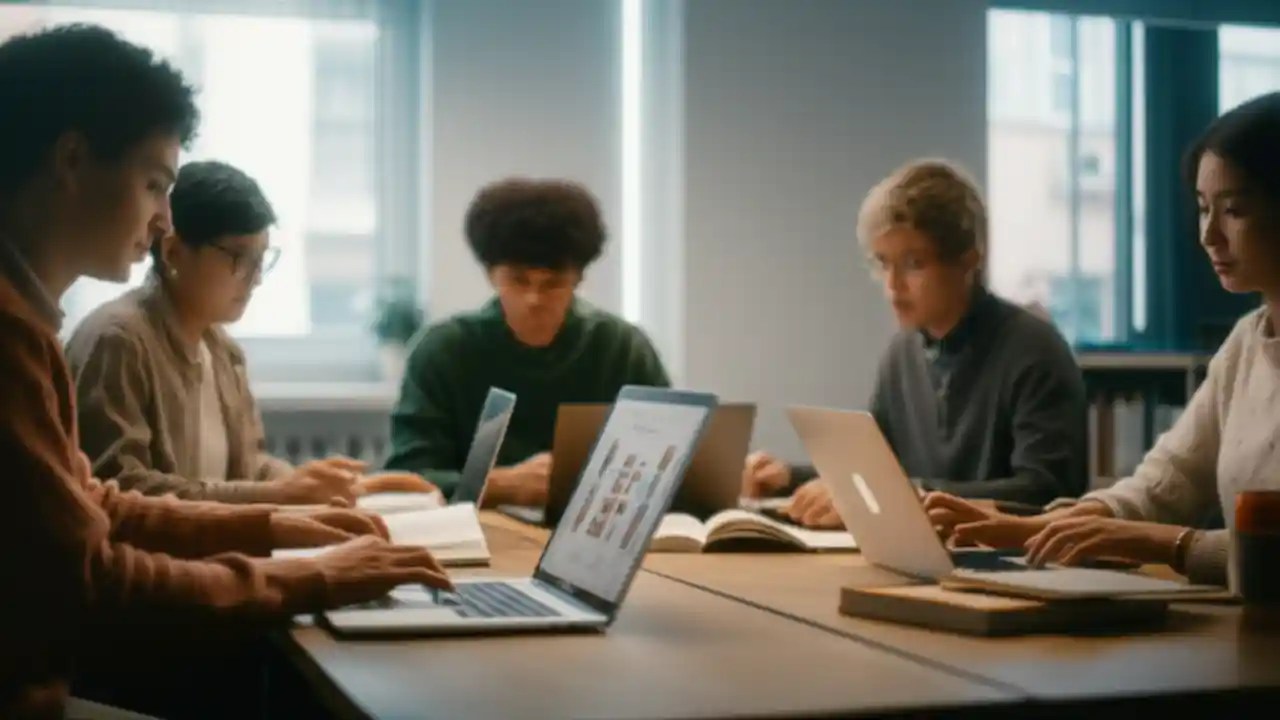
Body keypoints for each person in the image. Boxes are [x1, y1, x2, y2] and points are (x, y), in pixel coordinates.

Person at [0, 24, 449, 719]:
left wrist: (278, 522)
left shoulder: (30, 322)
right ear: (72, 159)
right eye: (154, 183)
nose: (161, 220)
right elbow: (89, 577)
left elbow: (99, 508)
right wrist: (303, 575)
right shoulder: (24, 335)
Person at [925, 91, 1280, 588]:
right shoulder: (1249, 340)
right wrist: (1040, 526)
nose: (1208, 236)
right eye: (1202, 209)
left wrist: (1167, 544)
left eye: (1234, 210)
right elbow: (1164, 483)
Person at [743, 159, 1088, 528]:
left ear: (969, 260)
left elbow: (1047, 494)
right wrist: (787, 479)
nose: (892, 285)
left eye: (914, 264)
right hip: (924, 562)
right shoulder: (901, 355)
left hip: (1012, 567)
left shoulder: (1033, 350)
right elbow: (875, 470)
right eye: (882, 263)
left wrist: (909, 493)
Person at [65, 160, 431, 505]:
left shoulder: (223, 350)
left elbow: (251, 467)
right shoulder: (118, 341)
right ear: (174, 252)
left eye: (262, 260)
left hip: (212, 556)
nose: (255, 278)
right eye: (240, 258)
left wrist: (334, 487)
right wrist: (284, 494)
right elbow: (124, 489)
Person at [384, 178, 670, 506]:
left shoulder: (621, 346)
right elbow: (407, 477)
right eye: (518, 281)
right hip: (480, 535)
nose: (534, 298)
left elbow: (669, 457)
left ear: (579, 278)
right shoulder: (443, 349)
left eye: (553, 283)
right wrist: (501, 485)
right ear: (491, 275)